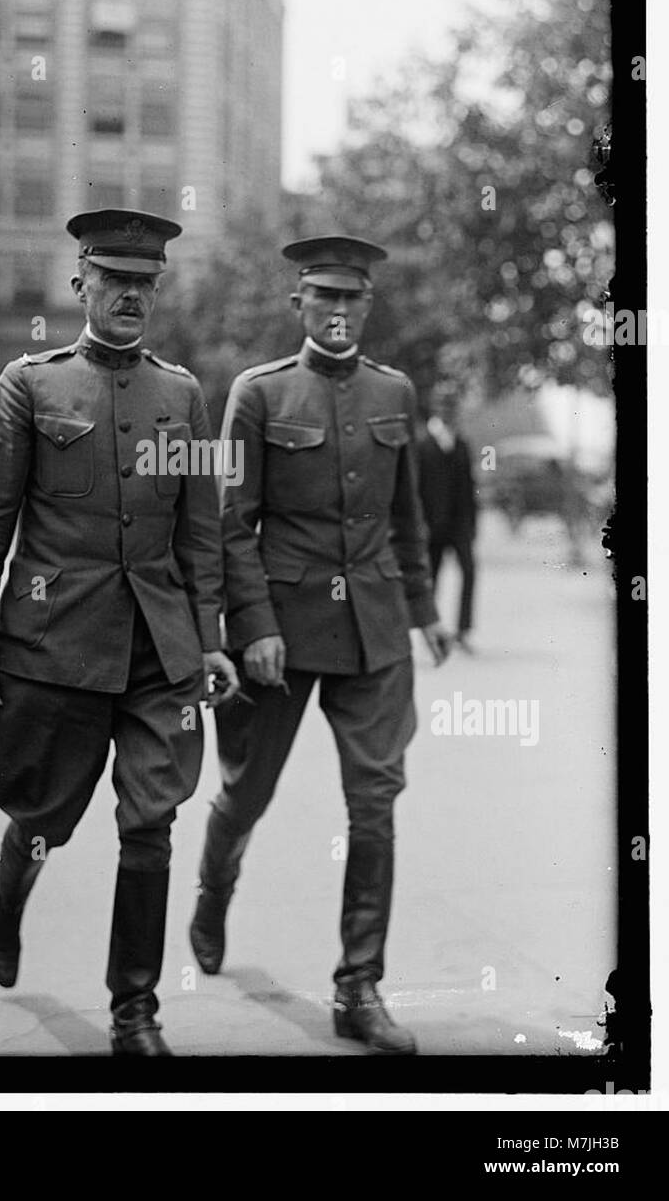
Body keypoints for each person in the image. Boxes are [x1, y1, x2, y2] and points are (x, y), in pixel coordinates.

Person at [0, 209, 239, 1057]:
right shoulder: (27, 386)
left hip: (158, 653)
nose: (132, 297)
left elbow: (199, 533)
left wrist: (210, 638)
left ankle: (134, 1010)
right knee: (43, 817)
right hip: (53, 648)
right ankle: (8, 888)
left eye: (146, 285)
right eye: (117, 282)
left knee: (151, 823)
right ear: (83, 285)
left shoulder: (182, 395)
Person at [188, 235, 449, 1055]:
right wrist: (255, 627)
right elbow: (233, 524)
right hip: (283, 635)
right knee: (245, 794)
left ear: (367, 308)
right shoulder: (259, 395)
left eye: (352, 301)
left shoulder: (395, 391)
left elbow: (407, 519)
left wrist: (426, 610)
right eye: (323, 300)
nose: (338, 314)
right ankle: (213, 885)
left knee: (374, 806)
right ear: (299, 305)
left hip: (375, 633)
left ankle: (358, 988)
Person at [416, 383, 478, 651]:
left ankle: (463, 630)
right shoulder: (421, 444)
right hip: (432, 526)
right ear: (435, 408)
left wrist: (473, 524)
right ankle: (432, 632)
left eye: (452, 405)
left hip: (459, 525)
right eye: (443, 405)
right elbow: (414, 490)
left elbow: (468, 487)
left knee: (470, 572)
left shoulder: (462, 444)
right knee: (433, 579)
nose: (448, 411)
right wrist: (419, 525)